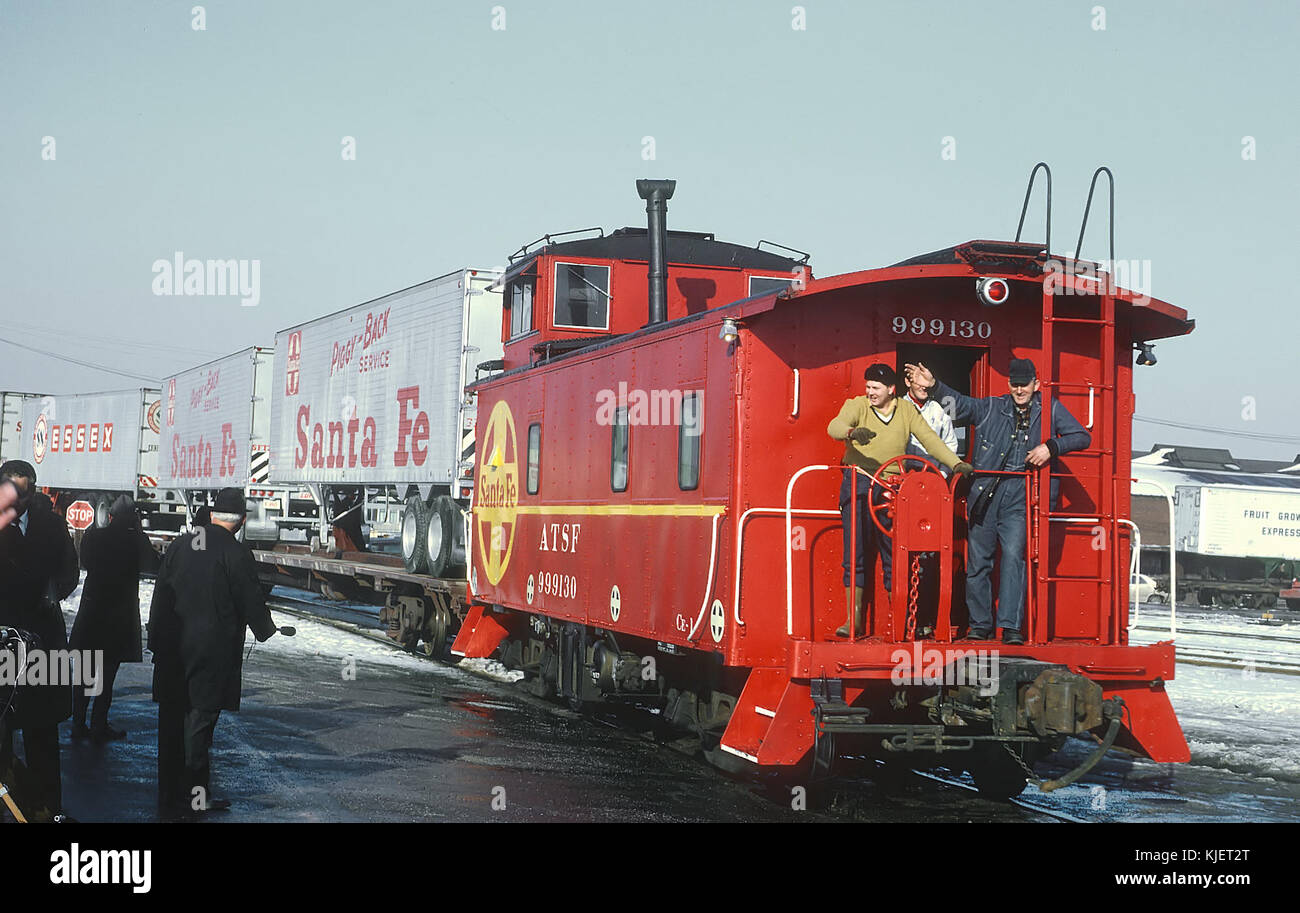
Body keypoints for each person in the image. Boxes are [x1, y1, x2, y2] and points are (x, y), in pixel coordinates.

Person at [904, 358, 1091, 644]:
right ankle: (980, 625)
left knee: (1014, 558)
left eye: (1024, 385)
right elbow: (961, 405)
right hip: (986, 493)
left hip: (1020, 495)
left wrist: (1050, 447)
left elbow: (1081, 436)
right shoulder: (991, 406)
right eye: (1015, 385)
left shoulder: (1050, 408)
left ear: (1035, 385)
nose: (1019, 390)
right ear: (1009, 385)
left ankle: (1011, 628)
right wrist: (935, 386)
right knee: (978, 561)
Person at [147, 487, 279, 816]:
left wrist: (155, 640)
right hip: (211, 654)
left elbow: (160, 594)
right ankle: (193, 798)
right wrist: (266, 630)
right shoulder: (236, 553)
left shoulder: (181, 544)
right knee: (198, 726)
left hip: (173, 648)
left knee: (171, 722)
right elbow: (251, 601)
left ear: (211, 514)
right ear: (242, 520)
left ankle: (167, 795)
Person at [827, 364, 972, 637]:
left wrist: (956, 464)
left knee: (894, 555)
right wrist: (850, 433)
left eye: (876, 388)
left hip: (892, 487)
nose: (870, 392)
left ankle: (901, 621)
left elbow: (930, 439)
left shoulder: (906, 411)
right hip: (858, 481)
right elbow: (834, 426)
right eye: (868, 387)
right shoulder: (857, 405)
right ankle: (854, 620)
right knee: (854, 553)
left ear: (891, 390)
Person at [0, 460, 79, 820]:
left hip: (42, 643)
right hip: (3, 640)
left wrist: (56, 590)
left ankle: (47, 811)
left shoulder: (50, 524)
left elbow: (69, 571)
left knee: (42, 734)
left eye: (27, 489)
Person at [69, 495, 160, 742]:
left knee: (85, 674)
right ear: (133, 518)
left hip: (91, 613)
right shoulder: (137, 540)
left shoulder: (93, 536)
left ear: (110, 516)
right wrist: (139, 533)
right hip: (118, 618)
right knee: (107, 677)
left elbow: (85, 561)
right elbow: (153, 566)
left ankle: (78, 724)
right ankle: (99, 724)